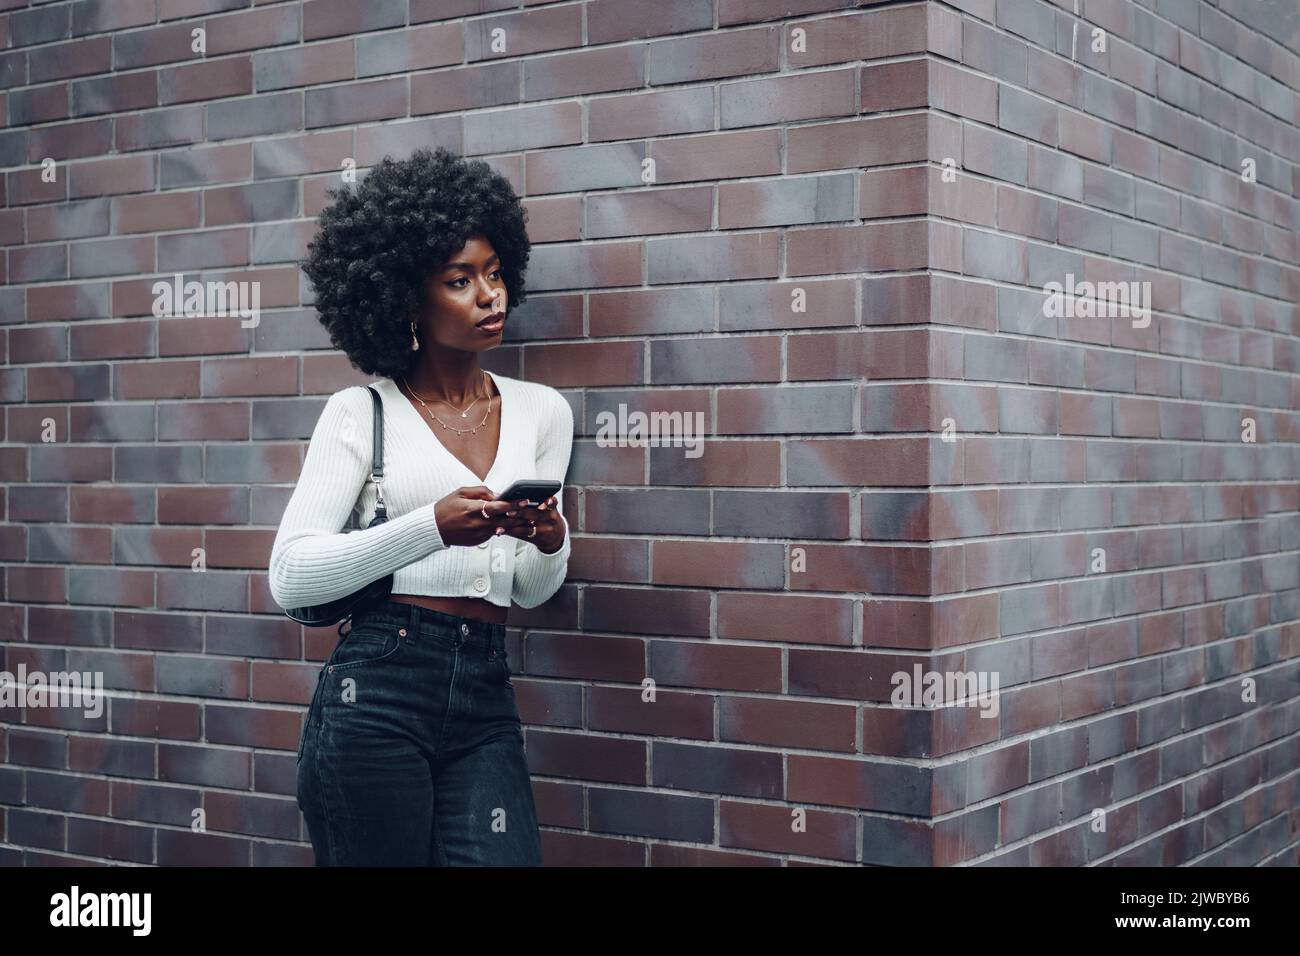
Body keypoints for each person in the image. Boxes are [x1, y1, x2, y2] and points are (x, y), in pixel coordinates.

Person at [269, 147, 573, 866]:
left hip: (485, 691)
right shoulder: (358, 414)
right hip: (375, 691)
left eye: (495, 273)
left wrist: (551, 540)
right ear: (408, 297)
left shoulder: (542, 412)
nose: (490, 295)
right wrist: (430, 527)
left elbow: (529, 590)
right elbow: (290, 576)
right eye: (460, 280)